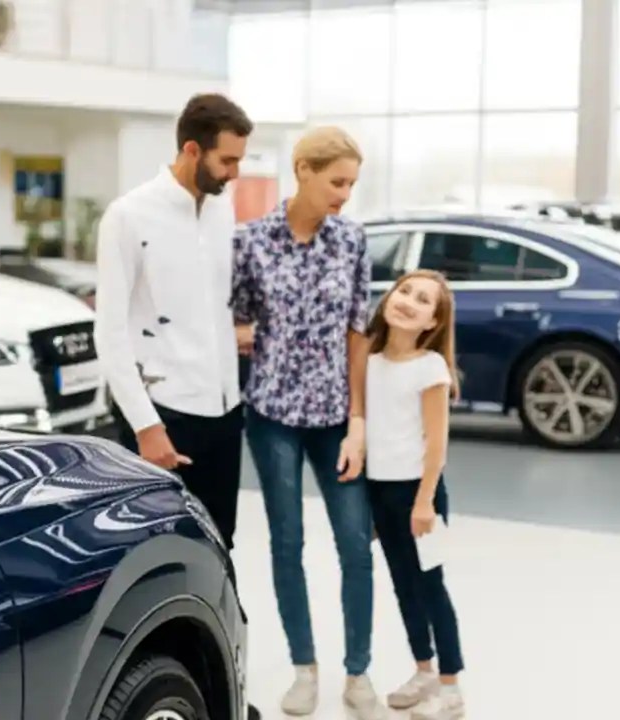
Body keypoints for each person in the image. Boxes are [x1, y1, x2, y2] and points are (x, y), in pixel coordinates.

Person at [231, 126, 384, 718]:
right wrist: (254, 338)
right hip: (270, 415)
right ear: (304, 171)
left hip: (333, 417)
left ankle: (358, 671)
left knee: (355, 546)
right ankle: (304, 668)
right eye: (337, 181)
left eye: (352, 183)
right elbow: (237, 320)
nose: (345, 194)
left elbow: (357, 333)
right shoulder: (250, 242)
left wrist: (359, 419)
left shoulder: (351, 240)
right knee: (286, 542)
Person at [93, 93, 253, 550]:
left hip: (224, 412)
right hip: (165, 416)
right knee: (160, 550)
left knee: (221, 543)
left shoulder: (222, 209)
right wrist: (146, 426)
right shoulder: (128, 215)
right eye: (228, 160)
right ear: (191, 150)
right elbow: (110, 331)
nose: (235, 173)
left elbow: (213, 305)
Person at [365, 269, 467, 720]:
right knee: (403, 586)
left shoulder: (430, 367)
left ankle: (450, 686)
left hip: (420, 493)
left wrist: (425, 501)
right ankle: (423, 669)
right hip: (379, 493)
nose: (408, 301)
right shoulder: (367, 359)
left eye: (423, 300)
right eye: (405, 290)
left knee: (431, 587)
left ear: (432, 322)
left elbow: (437, 443)